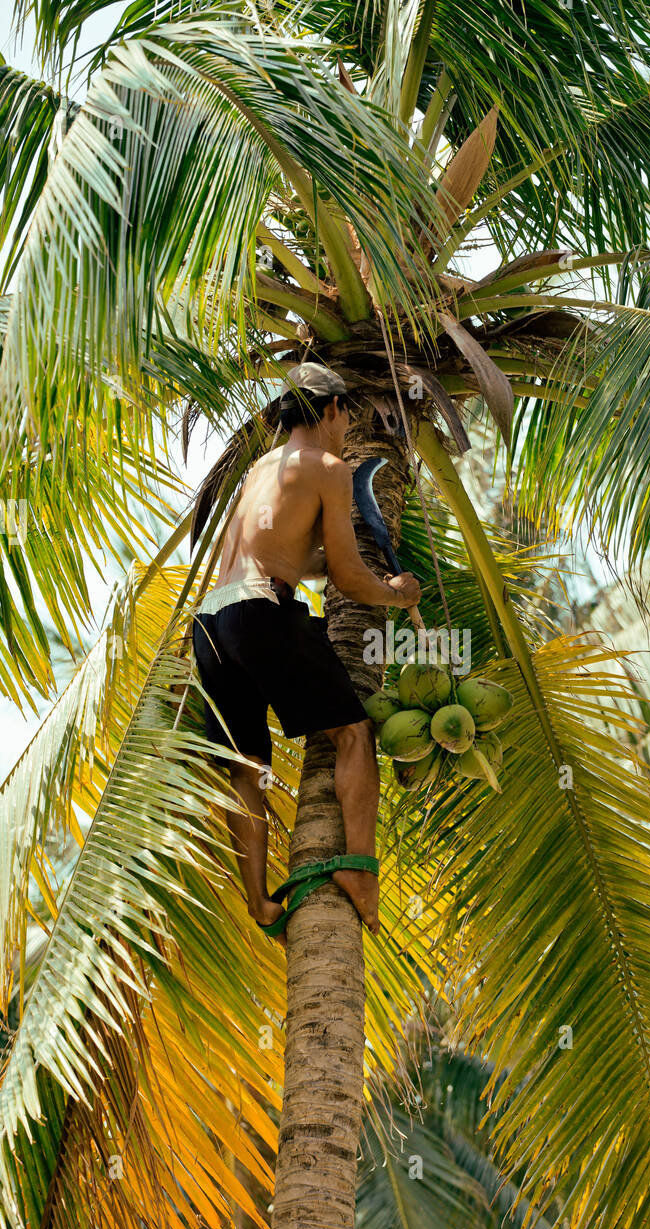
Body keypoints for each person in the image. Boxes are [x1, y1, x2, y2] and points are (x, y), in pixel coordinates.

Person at [191, 363, 421, 945]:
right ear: (333, 410)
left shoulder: (260, 471)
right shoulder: (329, 468)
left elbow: (288, 557)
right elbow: (345, 574)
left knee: (248, 768)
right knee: (353, 732)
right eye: (347, 415)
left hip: (213, 623)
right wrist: (393, 594)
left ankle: (260, 902)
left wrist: (322, 564)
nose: (348, 428)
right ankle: (360, 870)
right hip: (261, 614)